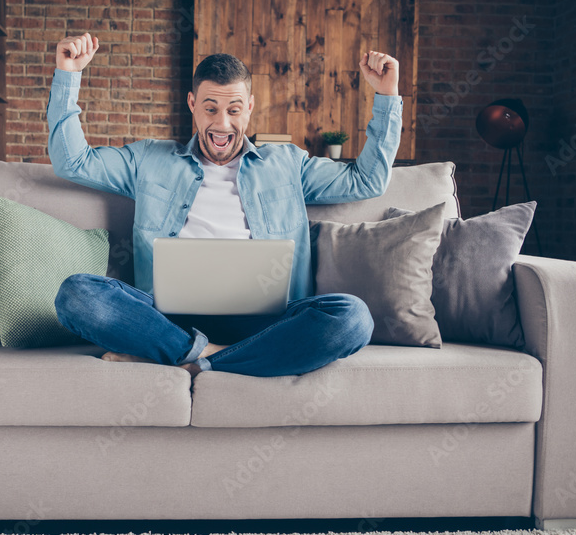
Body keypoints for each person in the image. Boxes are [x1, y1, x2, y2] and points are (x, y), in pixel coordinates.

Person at [49, 32, 402, 377]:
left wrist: (386, 96)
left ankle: (192, 357)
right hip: (163, 318)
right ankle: (210, 354)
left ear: (249, 107)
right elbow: (73, 162)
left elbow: (366, 180)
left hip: (267, 323)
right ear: (192, 105)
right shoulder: (148, 159)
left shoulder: (288, 163)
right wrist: (68, 74)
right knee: (77, 294)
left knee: (353, 317)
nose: (222, 124)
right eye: (210, 108)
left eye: (234, 109)